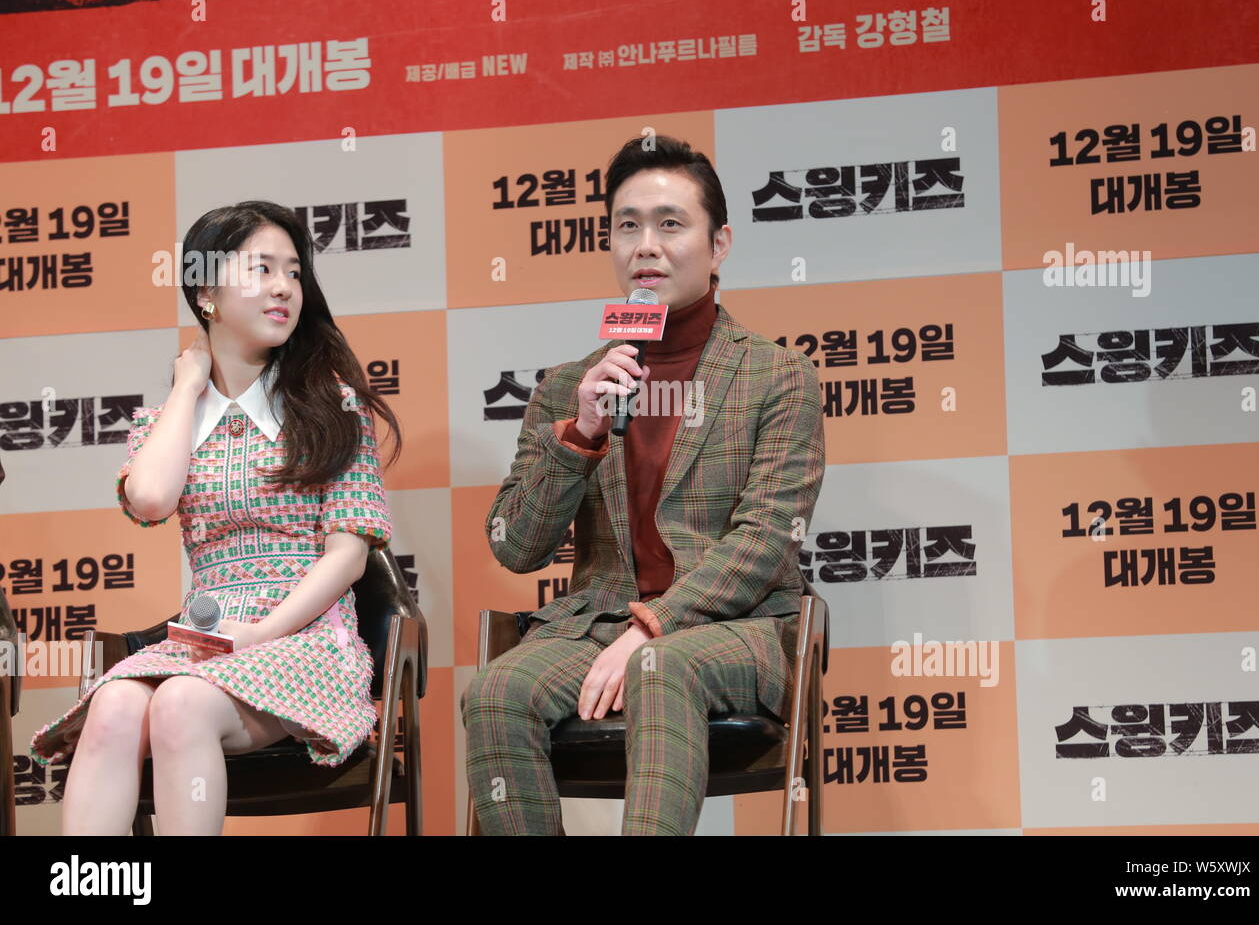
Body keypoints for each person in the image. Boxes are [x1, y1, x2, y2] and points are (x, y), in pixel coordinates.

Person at [461, 135, 826, 835]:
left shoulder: (777, 377)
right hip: (594, 626)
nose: (646, 245)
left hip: (735, 630)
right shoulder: (572, 386)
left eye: (670, 223)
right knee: (497, 692)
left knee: (661, 666)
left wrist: (654, 625)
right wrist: (582, 434)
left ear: (719, 244)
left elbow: (765, 542)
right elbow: (515, 546)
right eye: (627, 225)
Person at [29, 200, 402, 835]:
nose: (285, 286)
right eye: (262, 269)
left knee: (178, 704)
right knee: (115, 706)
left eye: (293, 271)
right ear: (207, 292)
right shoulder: (170, 421)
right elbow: (148, 500)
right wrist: (187, 385)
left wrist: (264, 631)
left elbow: (348, 553)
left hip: (305, 637)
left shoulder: (334, 408)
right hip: (206, 637)